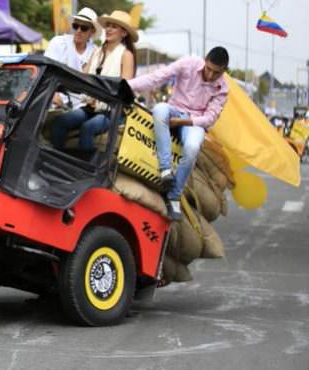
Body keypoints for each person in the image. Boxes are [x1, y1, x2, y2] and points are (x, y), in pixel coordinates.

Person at [128, 47, 230, 220]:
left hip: (195, 122)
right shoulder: (188, 63)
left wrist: (182, 122)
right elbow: (157, 78)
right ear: (204, 60)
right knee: (159, 109)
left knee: (192, 147)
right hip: (174, 108)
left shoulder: (223, 89)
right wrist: (127, 85)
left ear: (224, 71)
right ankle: (166, 169)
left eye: (216, 73)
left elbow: (209, 119)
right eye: (209, 69)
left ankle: (174, 195)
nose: (211, 75)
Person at [48, 10, 137, 151]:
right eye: (108, 25)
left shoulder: (126, 55)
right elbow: (83, 78)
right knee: (60, 122)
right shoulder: (96, 52)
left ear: (124, 33)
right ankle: (55, 164)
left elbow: (126, 90)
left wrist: (101, 97)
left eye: (114, 27)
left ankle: (84, 172)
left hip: (112, 111)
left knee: (88, 128)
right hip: (90, 107)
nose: (108, 29)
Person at [43, 7, 100, 72]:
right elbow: (47, 69)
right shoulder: (58, 43)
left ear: (92, 31)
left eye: (84, 28)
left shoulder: (95, 52)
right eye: (75, 26)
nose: (78, 30)